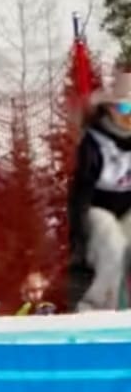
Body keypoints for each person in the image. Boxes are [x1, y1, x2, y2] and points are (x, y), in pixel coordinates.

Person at [68, 70, 131, 312]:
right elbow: (81, 189)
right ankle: (94, 308)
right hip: (97, 207)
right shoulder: (95, 141)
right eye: (125, 110)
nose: (130, 117)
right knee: (112, 245)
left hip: (127, 209)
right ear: (112, 110)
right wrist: (79, 234)